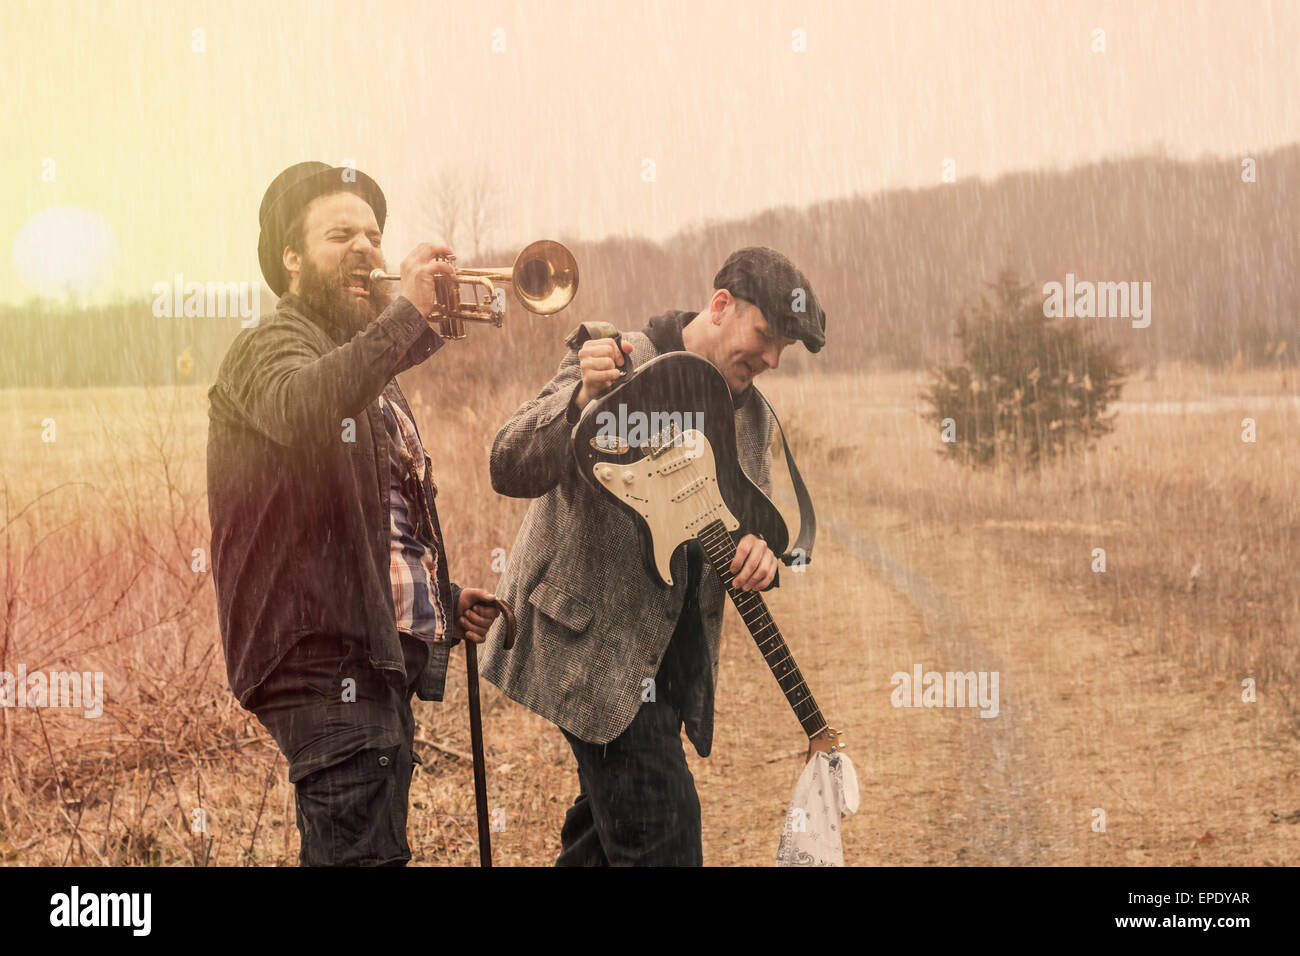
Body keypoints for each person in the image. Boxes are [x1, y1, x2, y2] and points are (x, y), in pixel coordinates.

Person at [481, 247, 826, 865]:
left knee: (604, 841)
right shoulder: (614, 358)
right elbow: (507, 462)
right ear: (721, 306)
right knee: (664, 831)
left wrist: (763, 558)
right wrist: (580, 402)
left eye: (783, 351)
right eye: (766, 336)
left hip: (669, 671)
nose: (772, 359)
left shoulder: (752, 416)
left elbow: (760, 530)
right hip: (591, 653)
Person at [206, 161, 501, 866]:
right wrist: (408, 317)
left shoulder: (364, 375)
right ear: (291, 258)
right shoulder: (269, 343)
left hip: (368, 656)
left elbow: (380, 522)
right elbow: (302, 405)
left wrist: (444, 599)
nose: (368, 247)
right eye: (341, 234)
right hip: (317, 656)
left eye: (374, 234)